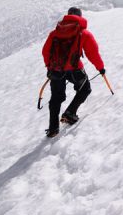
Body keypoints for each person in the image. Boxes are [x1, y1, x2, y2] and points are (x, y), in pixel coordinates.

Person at [41, 7, 106, 138]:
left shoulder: (55, 33)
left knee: (56, 98)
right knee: (85, 88)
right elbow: (92, 53)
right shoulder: (84, 33)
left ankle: (53, 128)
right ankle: (70, 113)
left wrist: (50, 66)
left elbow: (45, 51)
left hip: (56, 69)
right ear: (80, 17)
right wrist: (101, 68)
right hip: (74, 69)